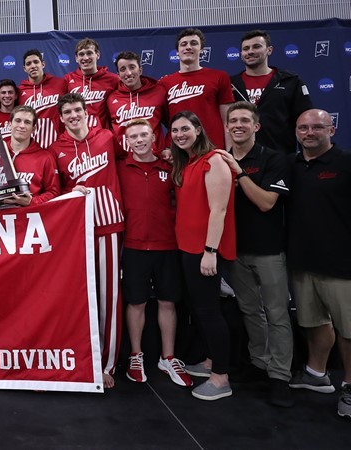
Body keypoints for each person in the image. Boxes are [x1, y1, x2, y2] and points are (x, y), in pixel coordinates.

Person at [213, 102, 293, 407]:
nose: (238, 125)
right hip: (235, 250)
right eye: (233, 120)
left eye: (245, 120)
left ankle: (280, 376)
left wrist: (239, 173)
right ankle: (260, 364)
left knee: (276, 313)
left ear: (256, 126)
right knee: (249, 310)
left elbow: (266, 203)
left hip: (268, 249)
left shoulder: (274, 159)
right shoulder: (221, 158)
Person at [51, 93, 124, 387]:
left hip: (107, 225)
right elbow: (55, 190)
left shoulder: (106, 137)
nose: (73, 115)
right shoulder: (56, 148)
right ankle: (80, 357)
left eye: (77, 110)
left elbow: (135, 157)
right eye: (67, 111)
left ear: (86, 111)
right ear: (61, 116)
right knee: (76, 297)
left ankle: (108, 363)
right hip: (74, 232)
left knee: (109, 298)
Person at [116, 119, 192, 388]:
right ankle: (136, 355)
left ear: (154, 137)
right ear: (127, 141)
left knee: (167, 301)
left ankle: (167, 356)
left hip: (168, 246)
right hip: (134, 247)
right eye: (133, 136)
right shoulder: (120, 167)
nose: (139, 140)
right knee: (135, 302)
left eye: (144, 134)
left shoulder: (171, 166)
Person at [286, 109, 351, 419]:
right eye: (303, 128)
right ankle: (316, 372)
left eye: (316, 127)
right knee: (313, 321)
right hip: (302, 260)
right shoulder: (292, 165)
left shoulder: (346, 163)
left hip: (341, 263)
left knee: (348, 329)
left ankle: (350, 387)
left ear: (332, 130)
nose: (309, 132)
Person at [170, 110, 236, 401]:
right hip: (187, 248)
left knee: (210, 312)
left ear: (198, 129)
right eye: (174, 131)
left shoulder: (215, 161)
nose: (179, 135)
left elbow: (219, 210)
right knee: (200, 310)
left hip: (204, 250)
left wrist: (210, 251)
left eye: (185, 129)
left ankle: (221, 378)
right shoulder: (189, 163)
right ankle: (210, 361)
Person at [230, 30, 313, 153]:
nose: (250, 51)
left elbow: (304, 121)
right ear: (241, 53)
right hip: (242, 158)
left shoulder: (289, 81)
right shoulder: (230, 84)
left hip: (281, 156)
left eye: (256, 46)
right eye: (246, 48)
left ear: (269, 50)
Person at [160, 28, 234, 150]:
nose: (188, 47)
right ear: (177, 51)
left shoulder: (219, 77)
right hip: (180, 153)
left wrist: (229, 152)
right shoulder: (165, 83)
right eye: (183, 44)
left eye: (193, 43)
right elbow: (165, 119)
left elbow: (227, 121)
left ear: (202, 50)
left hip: (212, 148)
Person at [0, 105, 60, 206]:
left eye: (27, 122)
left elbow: (54, 193)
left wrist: (32, 202)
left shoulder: (45, 157)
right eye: (18, 120)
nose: (21, 126)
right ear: (9, 124)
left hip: (29, 216)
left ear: (34, 128)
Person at [107, 51, 168, 154]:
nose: (129, 73)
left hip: (155, 158)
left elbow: (172, 124)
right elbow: (108, 131)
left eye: (132, 67)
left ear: (140, 70)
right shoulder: (112, 98)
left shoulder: (158, 92)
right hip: (124, 161)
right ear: (118, 75)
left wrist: (168, 147)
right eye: (123, 69)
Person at [64, 38, 120, 131]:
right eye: (81, 54)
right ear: (76, 58)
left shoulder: (113, 79)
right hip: (78, 136)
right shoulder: (68, 80)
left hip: (103, 137)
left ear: (97, 55)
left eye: (89, 53)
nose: (85, 58)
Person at [19, 49, 67, 148]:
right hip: (31, 146)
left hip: (59, 143)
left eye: (36, 62)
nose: (33, 66)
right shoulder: (19, 91)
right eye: (28, 64)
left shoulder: (60, 83)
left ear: (43, 64)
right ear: (24, 68)